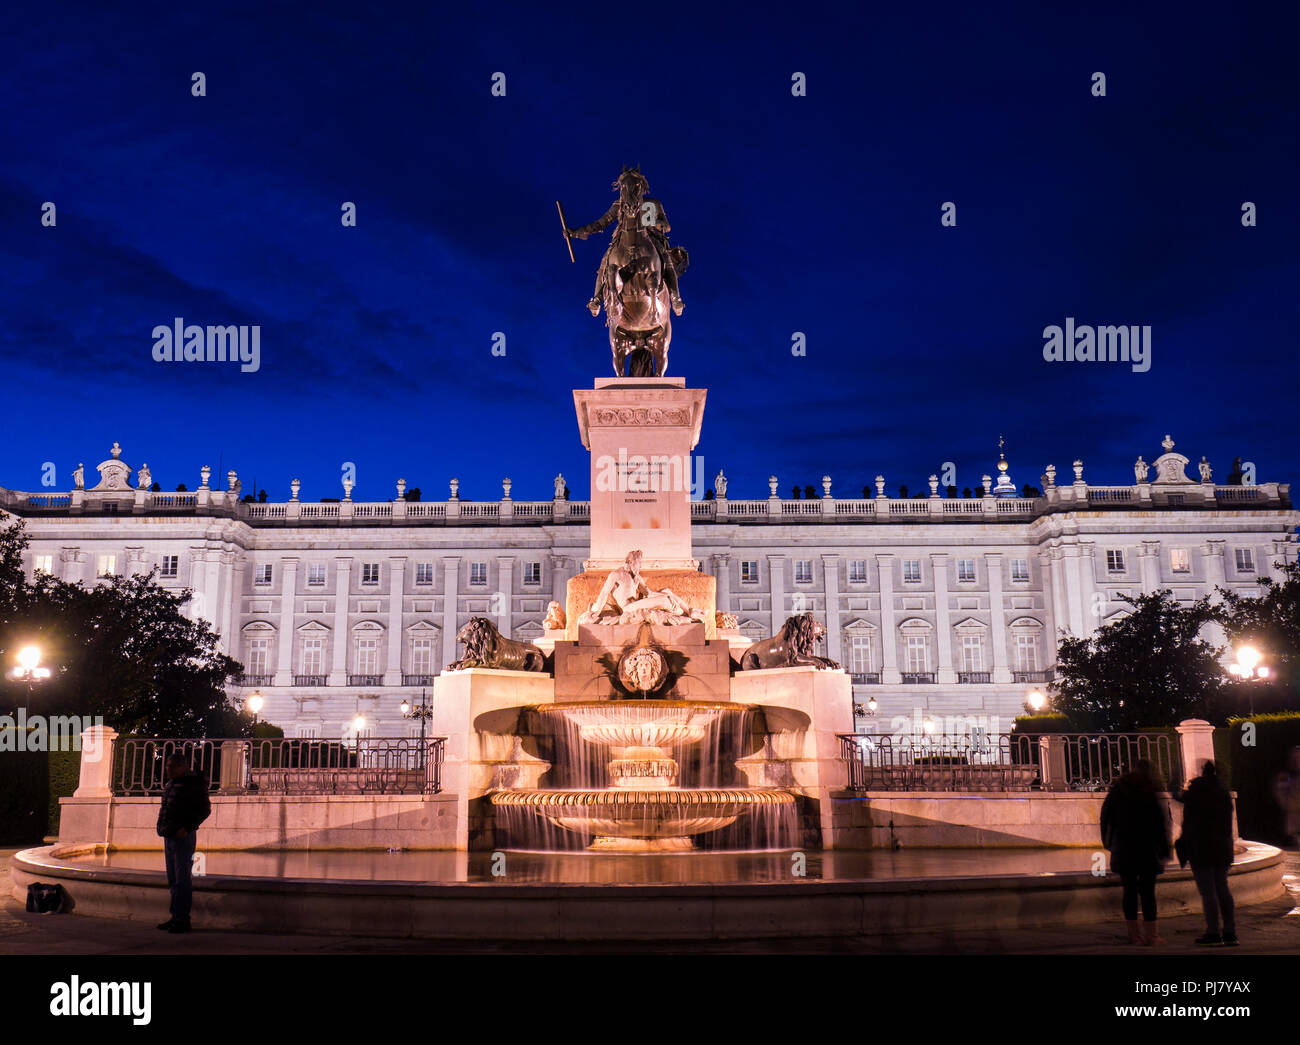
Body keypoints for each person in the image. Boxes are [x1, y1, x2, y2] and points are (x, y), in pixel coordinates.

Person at [1100, 759, 1172, 945]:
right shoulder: (1151, 791)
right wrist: (1165, 850)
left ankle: (1134, 935)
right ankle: (1152, 936)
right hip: (1147, 849)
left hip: (1124, 847)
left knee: (1129, 891)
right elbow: (1161, 824)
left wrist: (1107, 841)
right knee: (1148, 892)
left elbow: (1105, 817)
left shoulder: (1118, 790)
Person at [1175, 761, 1237, 946]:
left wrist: (1174, 779)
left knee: (1208, 892)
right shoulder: (1223, 793)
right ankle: (1230, 932)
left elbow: (1179, 798)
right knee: (1223, 889)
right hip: (1222, 848)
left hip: (1201, 849)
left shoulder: (1196, 792)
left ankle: (1212, 932)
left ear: (1202, 773)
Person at [155, 751, 211, 934]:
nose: (167, 769)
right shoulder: (173, 783)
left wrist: (187, 828)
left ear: (183, 766)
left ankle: (183, 919)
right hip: (170, 834)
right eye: (167, 766)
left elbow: (205, 810)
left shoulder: (193, 784)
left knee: (182, 879)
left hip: (182, 836)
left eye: (171, 766)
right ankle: (176, 916)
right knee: (173, 879)